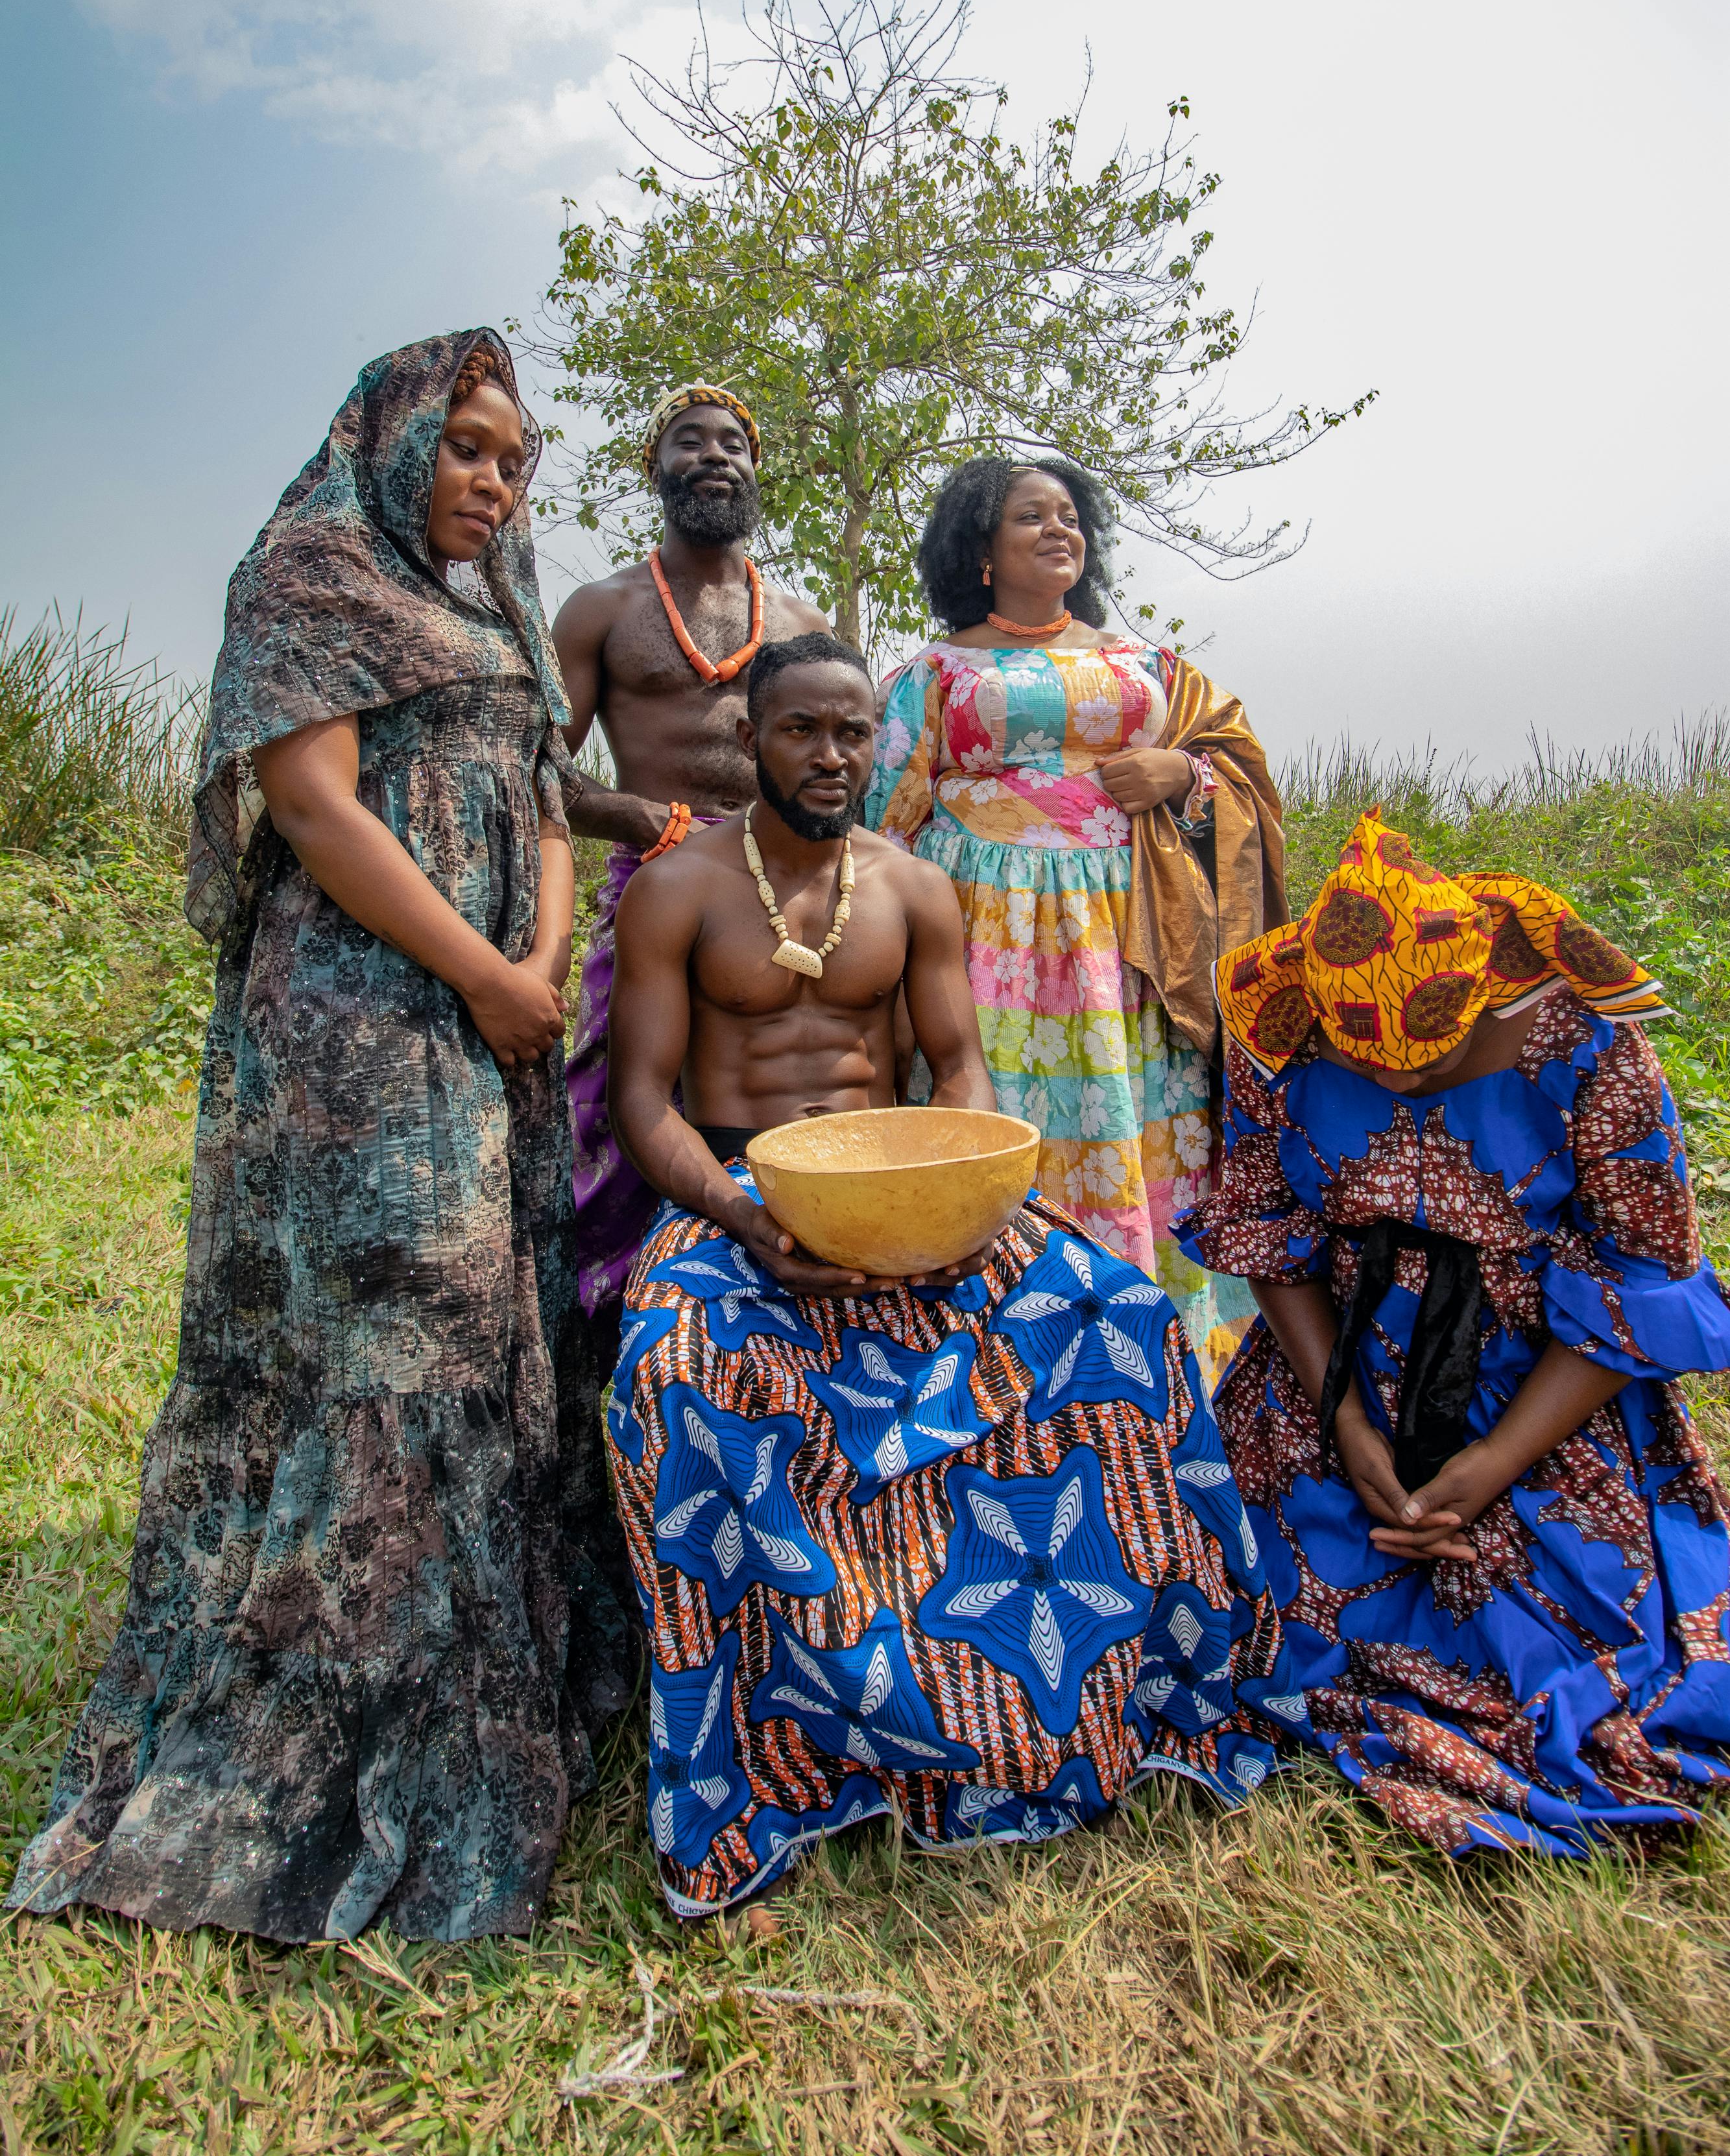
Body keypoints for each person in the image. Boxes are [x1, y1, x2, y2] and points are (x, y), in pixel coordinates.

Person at [8, 329, 624, 1943]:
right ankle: (333, 1726)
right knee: (395, 1322)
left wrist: (539, 960)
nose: (493, 480)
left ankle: (476, 1705)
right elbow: (313, 803)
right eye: (468, 446)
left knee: (488, 1321)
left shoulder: (494, 605)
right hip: (360, 1017)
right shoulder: (308, 568)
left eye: (514, 456)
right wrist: (484, 969)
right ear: (397, 432)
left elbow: (551, 798)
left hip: (495, 1010)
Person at [603, 632, 1296, 1924]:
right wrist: (739, 1218)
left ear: (880, 741)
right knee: (675, 1368)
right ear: (750, 737)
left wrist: (961, 1183)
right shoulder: (679, 888)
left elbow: (956, 1062)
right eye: (802, 729)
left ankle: (1115, 1684)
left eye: (853, 731)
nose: (831, 754)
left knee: (1114, 1316)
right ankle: (781, 1730)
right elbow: (646, 1103)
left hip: (915, 1187)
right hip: (742, 1197)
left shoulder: (913, 884)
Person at [1177, 806, 1730, 1858]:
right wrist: (1343, 1421)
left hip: (1545, 1377)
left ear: (1493, 999)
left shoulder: (1587, 1043)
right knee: (1238, 1610)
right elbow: (1269, 1239)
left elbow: (1639, 1282)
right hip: (1336, 1358)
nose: (1391, 1085)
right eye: (1364, 1065)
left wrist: (1490, 1464)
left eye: (1427, 1067)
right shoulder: (1276, 1026)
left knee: (1576, 1638)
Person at [867, 456, 1286, 1387]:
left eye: (1069, 515)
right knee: (1004, 1123)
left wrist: (1187, 777)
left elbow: (1242, 769)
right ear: (980, 549)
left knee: (1137, 1121)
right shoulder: (935, 675)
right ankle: (998, 1365)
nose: (1059, 530)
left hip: (1136, 939)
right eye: (1029, 517)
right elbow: (880, 821)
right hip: (986, 938)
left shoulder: (1148, 667)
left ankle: (1156, 1363)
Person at [551, 386, 828, 1320]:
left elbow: (840, 761)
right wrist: (642, 821)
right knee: (614, 1097)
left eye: (734, 445)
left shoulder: (798, 620)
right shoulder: (602, 609)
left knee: (778, 1099)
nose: (715, 456)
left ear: (755, 472)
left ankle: (765, 1319)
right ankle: (602, 1326)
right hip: (656, 884)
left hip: (780, 892)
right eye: (689, 441)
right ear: (655, 467)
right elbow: (530, 770)